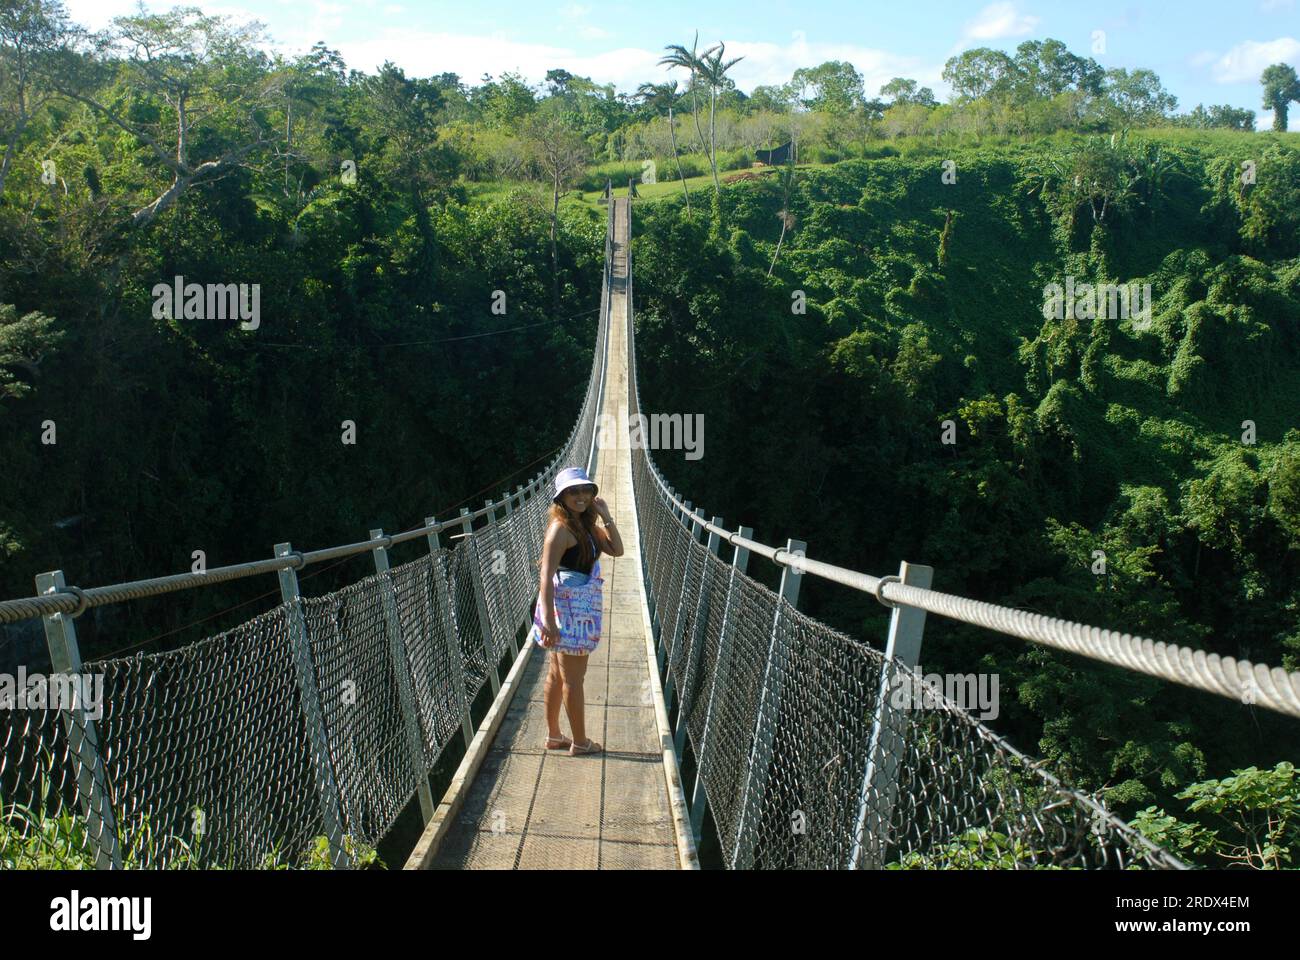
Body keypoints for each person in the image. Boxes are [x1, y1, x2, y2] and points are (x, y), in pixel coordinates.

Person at [536, 466, 624, 756]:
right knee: (574, 680)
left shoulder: (584, 524)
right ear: (561, 497)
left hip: (575, 611)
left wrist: (606, 515)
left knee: (557, 676)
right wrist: (548, 620)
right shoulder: (560, 529)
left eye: (586, 490)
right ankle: (581, 742)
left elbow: (616, 549)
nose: (581, 496)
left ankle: (554, 736)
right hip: (569, 614)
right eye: (573, 491)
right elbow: (545, 576)